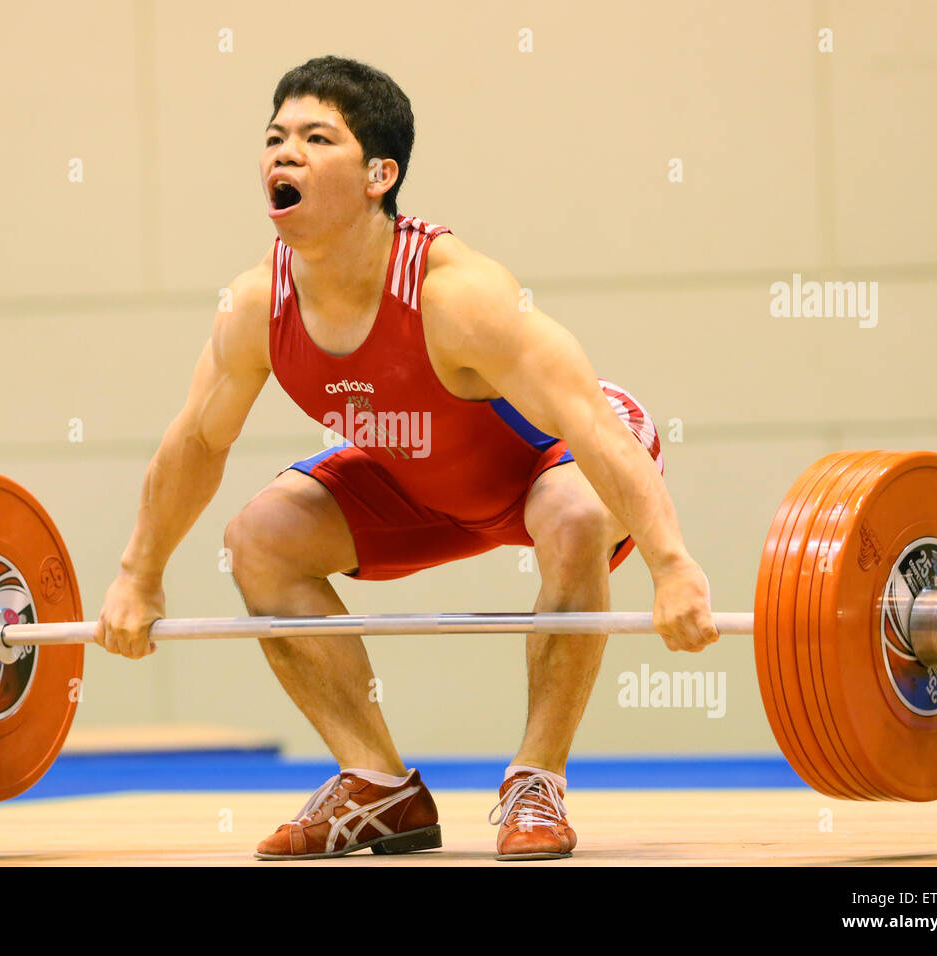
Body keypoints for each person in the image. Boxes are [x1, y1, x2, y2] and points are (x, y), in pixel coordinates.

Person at [95, 55, 718, 861]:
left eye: (318, 138)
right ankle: (378, 787)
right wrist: (139, 573)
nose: (286, 154)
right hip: (418, 479)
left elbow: (590, 423)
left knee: (571, 516)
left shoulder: (458, 293)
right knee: (260, 540)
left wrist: (671, 564)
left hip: (549, 461)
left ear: (378, 175)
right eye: (276, 137)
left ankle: (537, 781)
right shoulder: (258, 305)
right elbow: (197, 442)